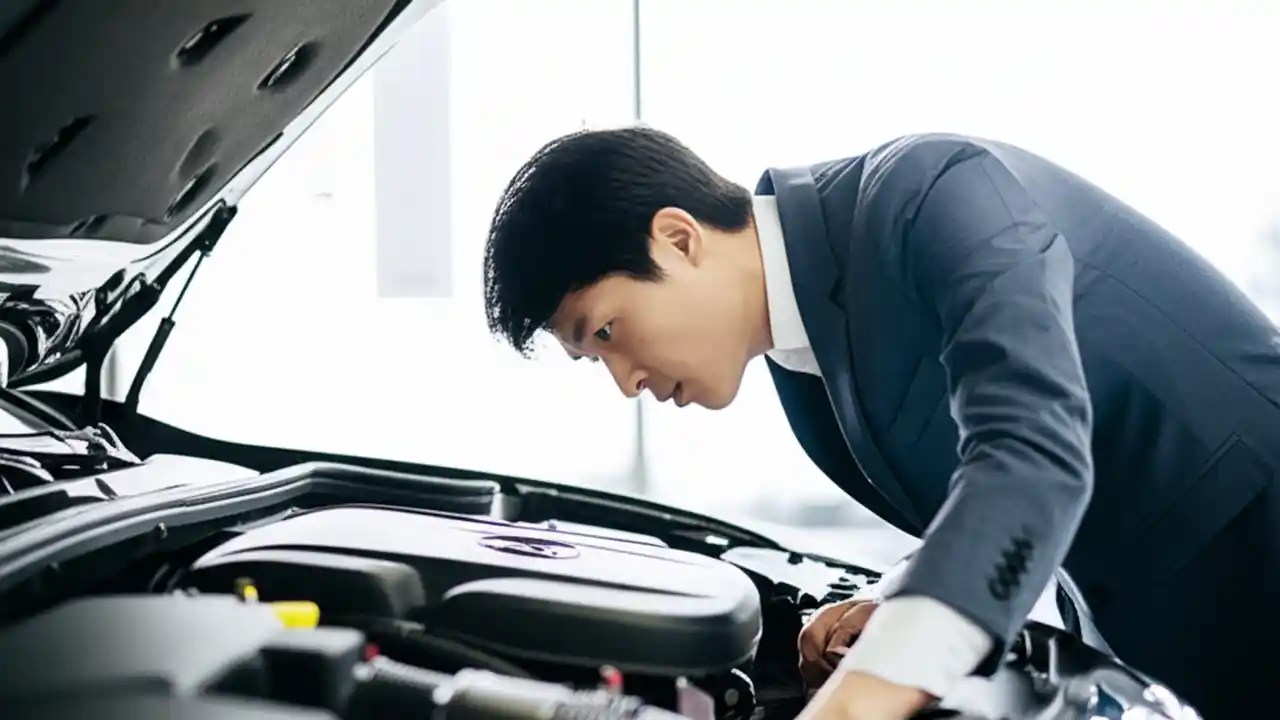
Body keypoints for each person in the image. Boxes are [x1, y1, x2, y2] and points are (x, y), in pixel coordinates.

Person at [481, 127, 1280, 719]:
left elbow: (1033, 460)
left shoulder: (934, 192)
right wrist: (901, 595)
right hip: (1158, 639)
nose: (626, 383)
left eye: (609, 333)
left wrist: (865, 696)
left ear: (679, 239)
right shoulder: (801, 372)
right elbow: (982, 501)